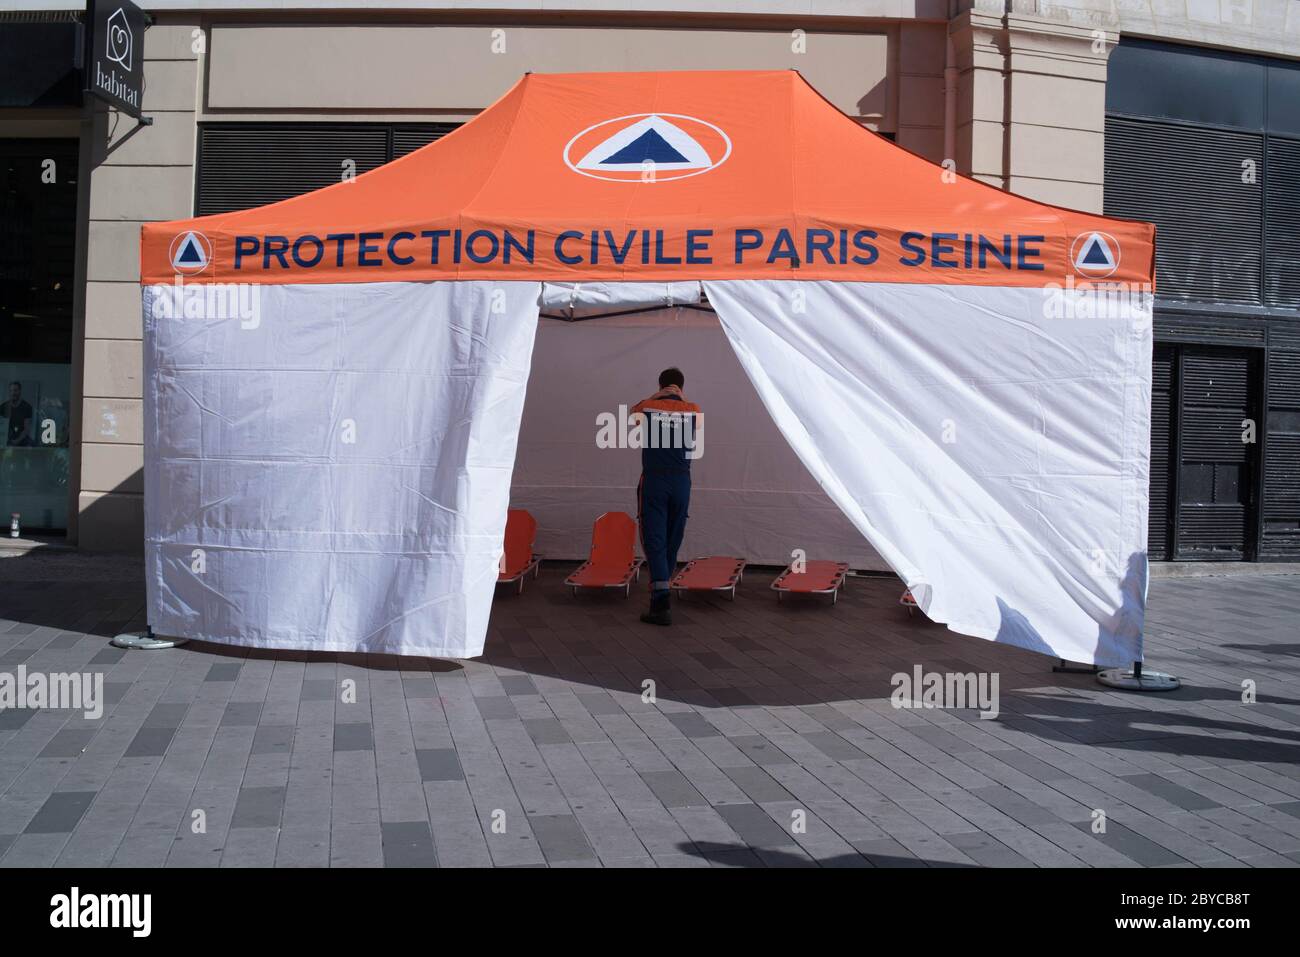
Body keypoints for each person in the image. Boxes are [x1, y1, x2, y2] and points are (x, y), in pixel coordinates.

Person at [631, 368, 702, 626]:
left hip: (655, 480)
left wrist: (659, 396)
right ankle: (662, 592)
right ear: (681, 386)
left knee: (654, 538)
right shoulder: (693, 409)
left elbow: (634, 414)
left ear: (660, 384)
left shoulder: (647, 405)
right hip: (682, 480)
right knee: (673, 537)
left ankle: (660, 601)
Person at [1, 382, 34, 447]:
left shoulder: (27, 407)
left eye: (15, 390)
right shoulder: (3, 407)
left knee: (32, 445)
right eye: (11, 391)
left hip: (22, 438)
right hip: (6, 437)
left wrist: (16, 441)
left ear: (20, 391)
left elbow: (27, 429)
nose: (13, 393)